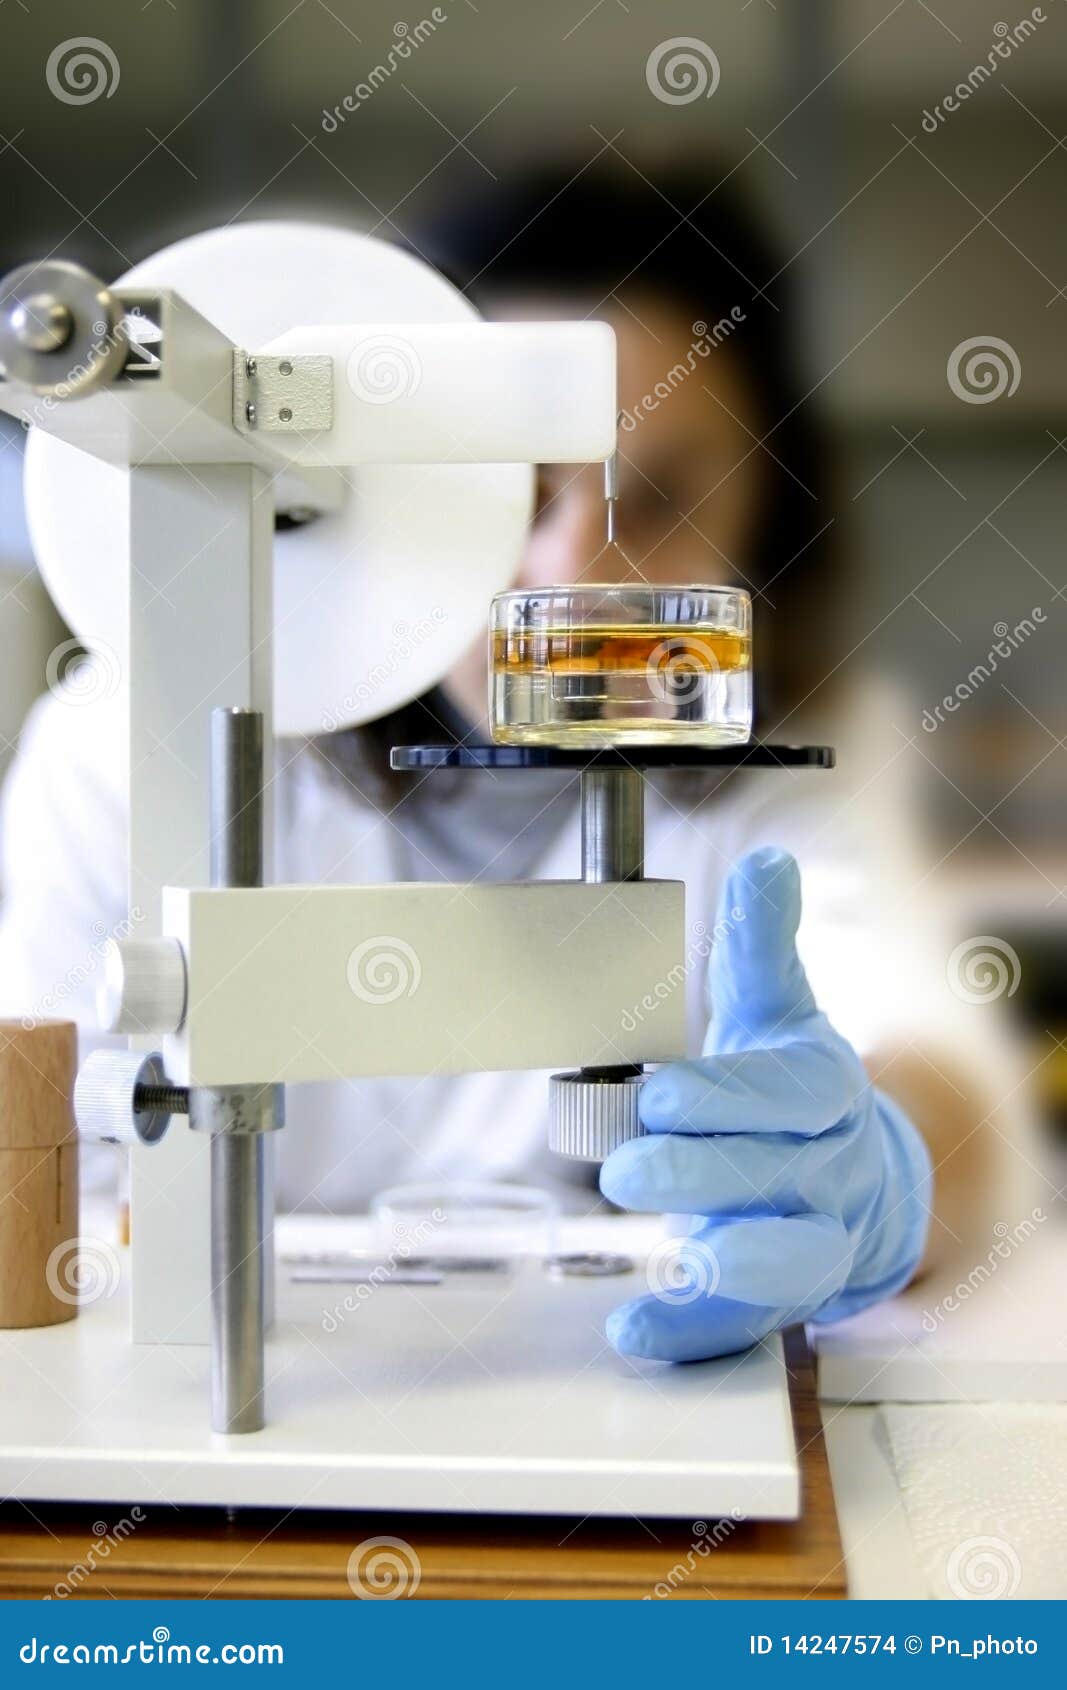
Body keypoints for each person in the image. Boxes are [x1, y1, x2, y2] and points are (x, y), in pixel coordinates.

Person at [0, 169, 1001, 1360]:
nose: (577, 564)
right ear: (368, 478)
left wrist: (879, 1164)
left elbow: (948, 1081)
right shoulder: (132, 747)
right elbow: (42, 1154)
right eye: (517, 490)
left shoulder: (799, 763)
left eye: (663, 494)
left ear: (767, 519)